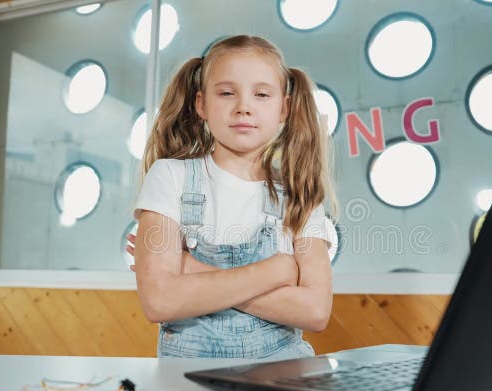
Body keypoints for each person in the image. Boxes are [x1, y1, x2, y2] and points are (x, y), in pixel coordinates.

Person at [129, 35, 338, 359]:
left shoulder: (300, 196)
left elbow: (314, 311)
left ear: (283, 108)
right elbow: (159, 302)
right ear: (201, 104)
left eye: (262, 94)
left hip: (281, 380)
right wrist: (275, 271)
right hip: (187, 385)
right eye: (226, 92)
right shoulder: (170, 176)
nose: (243, 106)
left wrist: (192, 269)